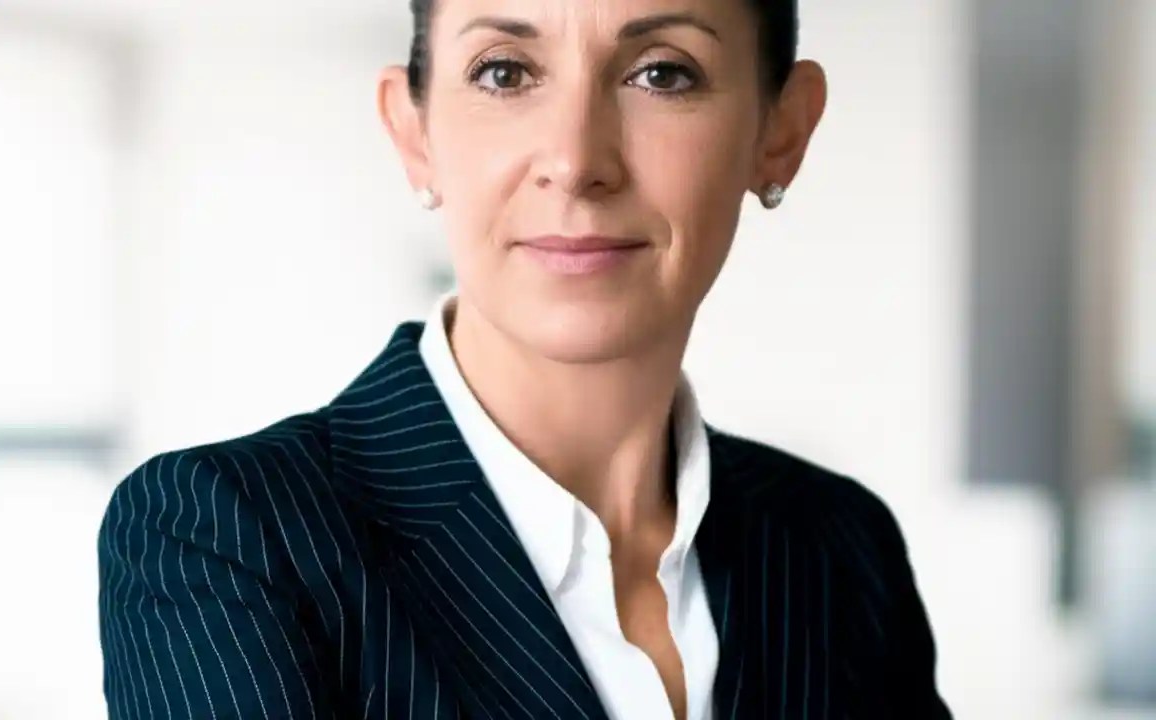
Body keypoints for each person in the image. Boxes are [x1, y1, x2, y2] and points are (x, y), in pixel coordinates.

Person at [97, 0, 952, 717]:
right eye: (504, 72)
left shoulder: (840, 547)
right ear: (413, 132)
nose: (577, 161)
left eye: (662, 73)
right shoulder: (226, 537)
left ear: (782, 132)